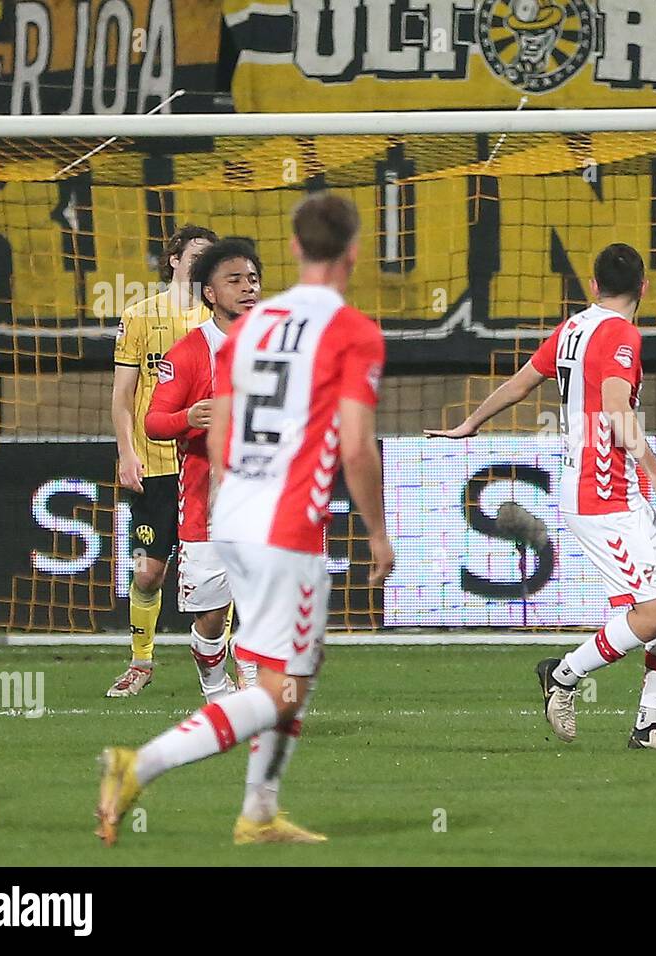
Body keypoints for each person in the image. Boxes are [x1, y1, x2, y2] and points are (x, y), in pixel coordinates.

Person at [96, 193, 394, 845]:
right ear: (354, 252)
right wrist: (375, 530)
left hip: (235, 512)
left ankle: (259, 812)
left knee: (276, 677)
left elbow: (225, 416)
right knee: (282, 689)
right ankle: (140, 763)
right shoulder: (351, 331)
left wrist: (230, 499)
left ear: (291, 251)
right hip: (288, 524)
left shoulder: (256, 327)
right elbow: (353, 444)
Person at [427, 243, 656, 751]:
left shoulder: (573, 328)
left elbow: (519, 384)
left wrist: (471, 423)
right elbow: (619, 413)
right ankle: (563, 675)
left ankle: (649, 725)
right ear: (645, 287)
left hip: (618, 493)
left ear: (593, 286)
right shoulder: (620, 334)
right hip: (602, 496)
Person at [145, 239, 262, 701]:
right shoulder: (190, 352)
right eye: (234, 280)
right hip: (206, 504)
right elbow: (155, 422)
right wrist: (187, 419)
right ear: (210, 293)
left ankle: (252, 681)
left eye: (252, 279)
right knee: (211, 617)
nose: (247, 288)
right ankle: (215, 687)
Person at [108, 224, 216, 697]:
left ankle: (218, 668)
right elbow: (122, 395)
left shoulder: (220, 320)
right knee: (149, 571)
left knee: (215, 571)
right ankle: (141, 661)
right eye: (196, 254)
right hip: (153, 460)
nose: (202, 262)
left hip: (205, 463)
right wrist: (125, 452)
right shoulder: (138, 317)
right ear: (173, 259)